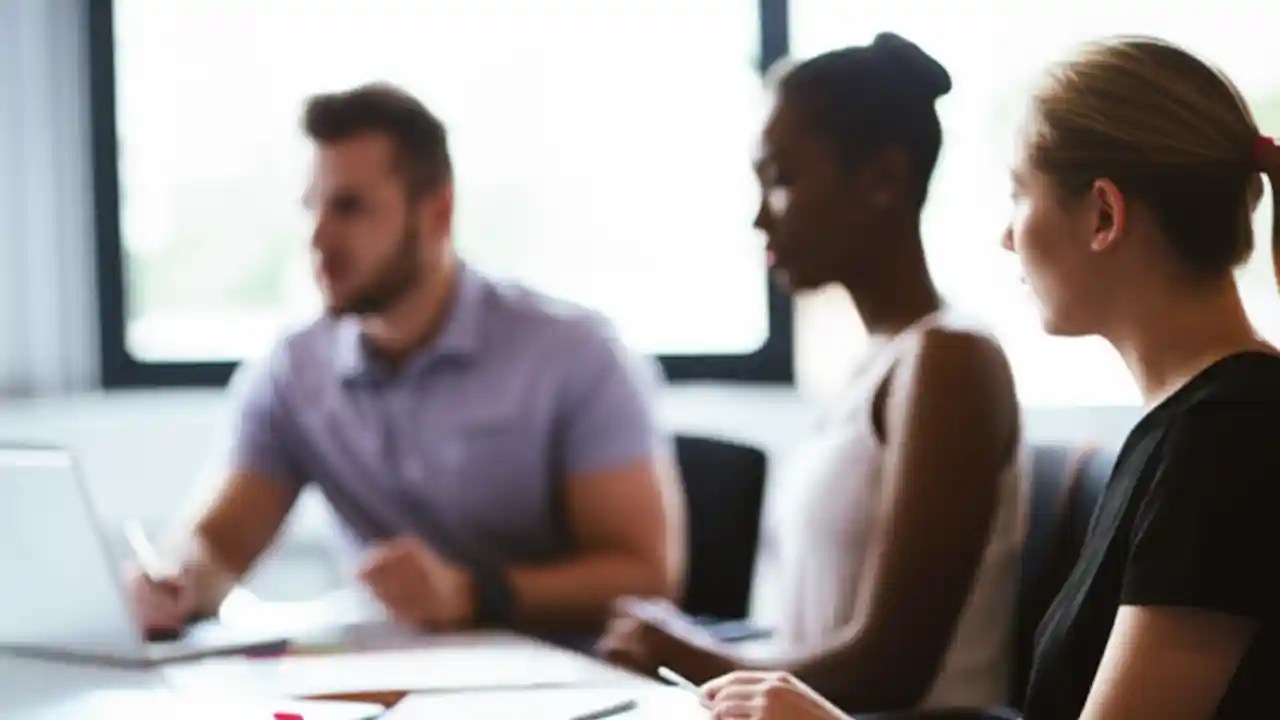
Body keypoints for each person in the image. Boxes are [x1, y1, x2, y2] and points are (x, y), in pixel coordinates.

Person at [697, 36, 1280, 720]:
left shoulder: (1226, 441)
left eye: (1018, 194)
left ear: (1102, 216)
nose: (1008, 237)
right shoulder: (1192, 429)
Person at [129, 82, 685, 639]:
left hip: (568, 683)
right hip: (399, 682)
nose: (318, 237)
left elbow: (646, 577)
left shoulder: (573, 353)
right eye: (312, 208)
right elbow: (217, 546)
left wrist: (471, 592)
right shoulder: (294, 372)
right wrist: (174, 584)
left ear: (437, 213)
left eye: (349, 208)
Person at [599, 33, 1025, 714]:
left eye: (782, 178)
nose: (760, 214)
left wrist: (685, 653)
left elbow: (887, 669)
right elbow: (807, 637)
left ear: (884, 178)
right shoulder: (872, 365)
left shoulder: (950, 361)